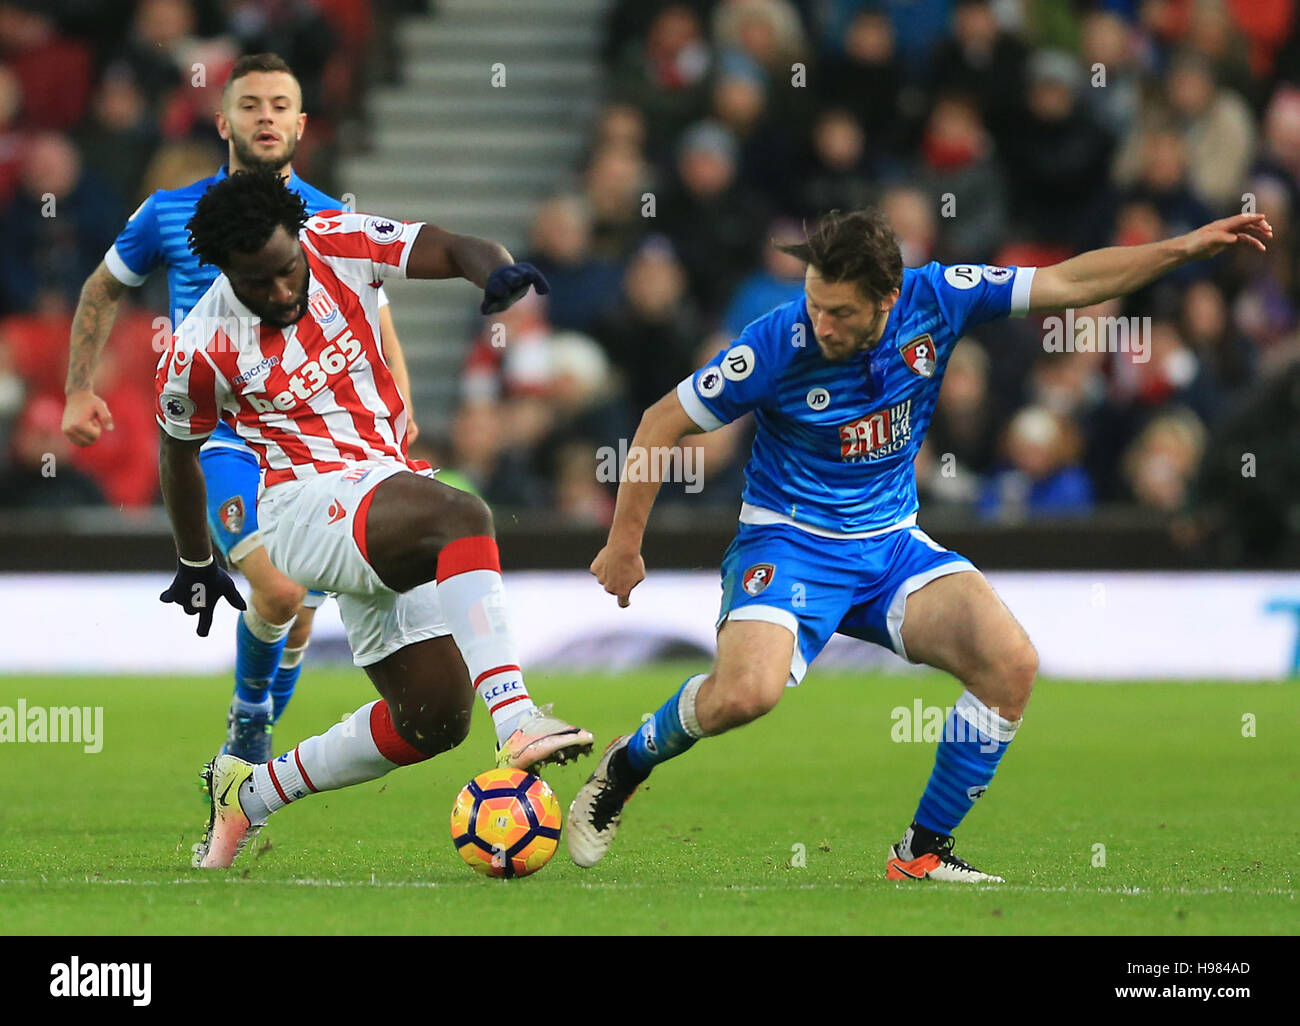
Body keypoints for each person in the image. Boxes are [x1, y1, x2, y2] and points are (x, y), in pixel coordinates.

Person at [572, 205, 1271, 881]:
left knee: (1011, 666)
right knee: (744, 696)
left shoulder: (941, 297)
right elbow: (660, 423)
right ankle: (629, 764)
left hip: (891, 547)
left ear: (888, 298)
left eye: (841, 312)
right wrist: (625, 543)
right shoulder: (775, 344)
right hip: (788, 545)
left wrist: (1182, 249)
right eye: (815, 303)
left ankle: (923, 853)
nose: (821, 323)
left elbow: (1069, 282)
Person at [156, 167, 593, 868]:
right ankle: (516, 718)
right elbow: (178, 456)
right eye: (255, 284)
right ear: (222, 271)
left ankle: (249, 795)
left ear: (300, 237)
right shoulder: (200, 344)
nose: (278, 292)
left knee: (432, 721)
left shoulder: (340, 240)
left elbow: (452, 246)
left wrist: (495, 275)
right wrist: (195, 560)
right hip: (298, 507)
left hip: (383, 491)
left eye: (284, 271)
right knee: (462, 515)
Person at [61, 53, 421, 766]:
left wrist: (398, 415)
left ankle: (244, 740)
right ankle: (248, 735)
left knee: (293, 618)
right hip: (217, 434)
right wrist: (79, 386)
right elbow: (102, 288)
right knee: (277, 593)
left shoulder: (332, 218)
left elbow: (378, 327)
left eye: (281, 105)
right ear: (223, 120)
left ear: (302, 123)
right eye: (251, 104)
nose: (266, 117)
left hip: (312, 442)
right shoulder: (168, 210)